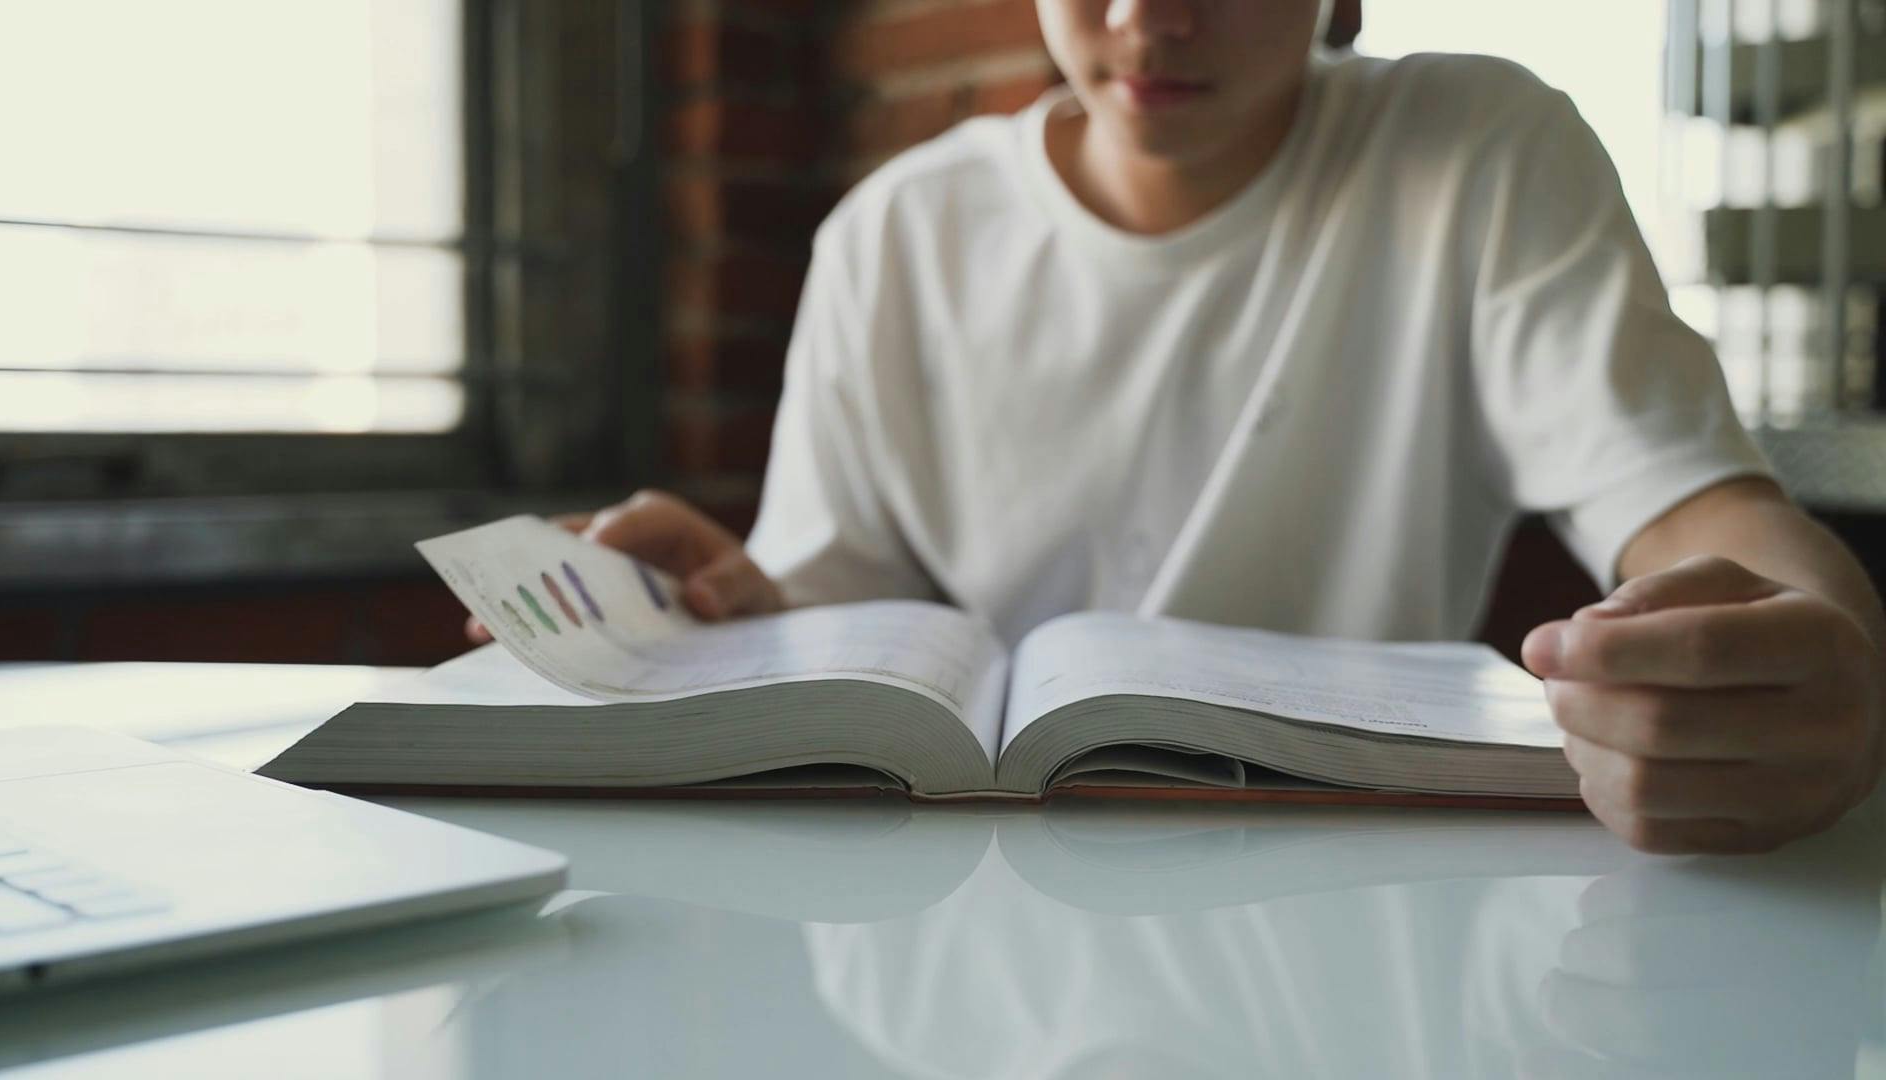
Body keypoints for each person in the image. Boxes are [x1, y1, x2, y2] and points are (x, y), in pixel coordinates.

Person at [473, 0, 1886, 854]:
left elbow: (1696, 506)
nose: (1151, 16)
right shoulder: (896, 235)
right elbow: (844, 617)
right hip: (961, 929)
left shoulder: (1475, 149)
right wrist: (712, 606)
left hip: (1356, 894)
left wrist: (1822, 652)